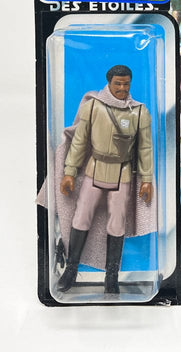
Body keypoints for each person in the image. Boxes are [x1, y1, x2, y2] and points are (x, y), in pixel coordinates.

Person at [56, 65, 153, 294]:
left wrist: (147, 179)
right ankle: (71, 269)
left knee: (117, 223)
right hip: (95, 169)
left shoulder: (139, 111)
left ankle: (112, 275)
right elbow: (79, 141)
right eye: (118, 83)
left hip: (122, 173)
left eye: (126, 83)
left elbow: (145, 148)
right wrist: (70, 172)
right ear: (109, 83)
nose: (122, 88)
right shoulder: (93, 106)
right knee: (81, 217)